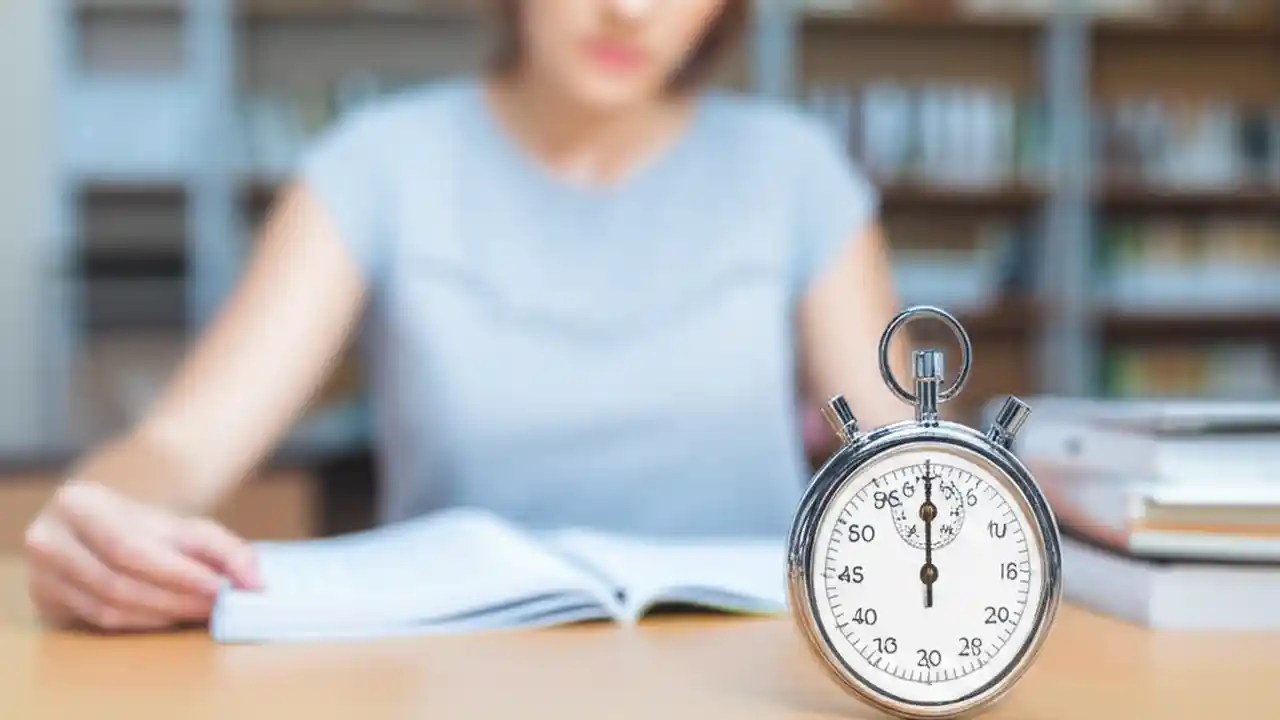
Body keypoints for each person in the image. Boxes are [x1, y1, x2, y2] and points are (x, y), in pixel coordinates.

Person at [24, 0, 906, 633]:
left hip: (769, 664)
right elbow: (181, 445)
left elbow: (901, 458)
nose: (629, 12)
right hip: (459, 669)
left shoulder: (797, 170)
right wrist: (103, 523)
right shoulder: (375, 164)